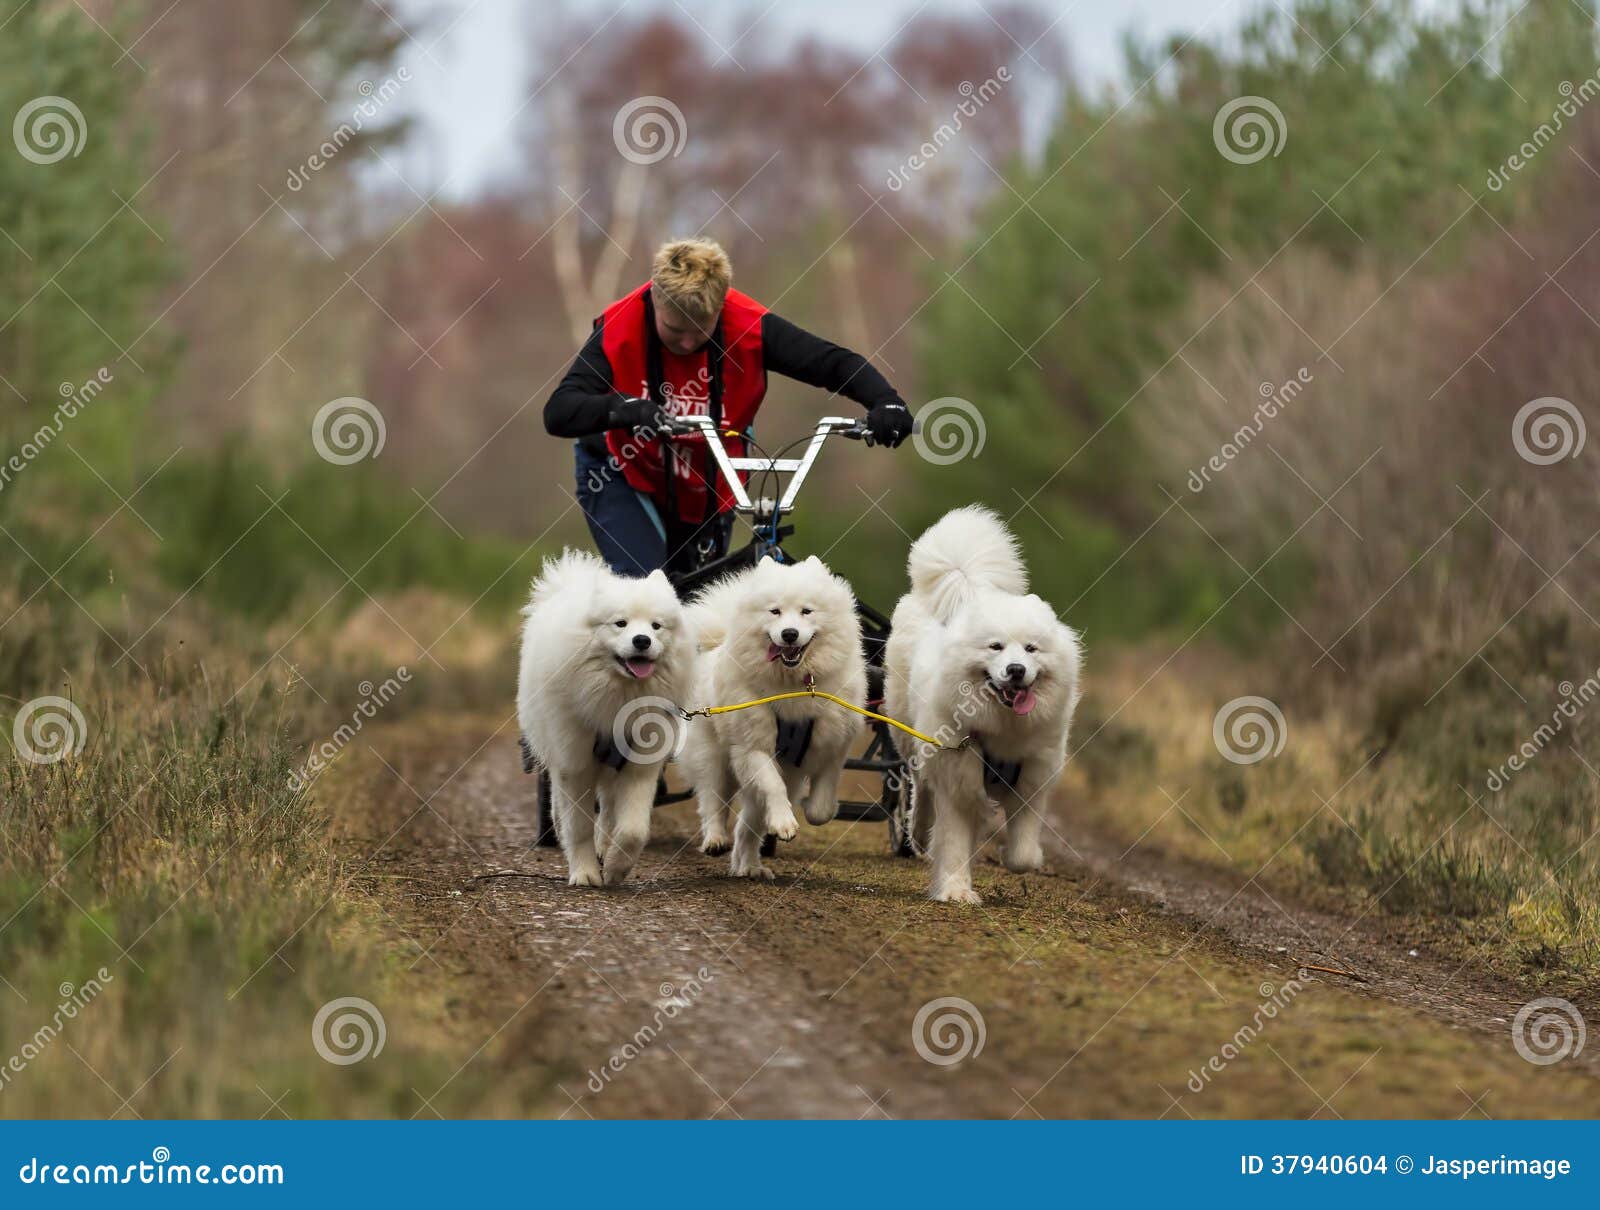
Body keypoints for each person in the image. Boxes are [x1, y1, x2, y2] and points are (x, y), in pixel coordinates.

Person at [544, 237, 914, 578]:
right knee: (649, 595)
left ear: (720, 307)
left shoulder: (749, 325)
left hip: (709, 479)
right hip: (623, 472)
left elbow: (831, 363)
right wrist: (627, 408)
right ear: (655, 299)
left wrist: (886, 402)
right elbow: (559, 411)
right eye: (674, 330)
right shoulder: (619, 327)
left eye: (700, 330)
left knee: (704, 600)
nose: (688, 343)